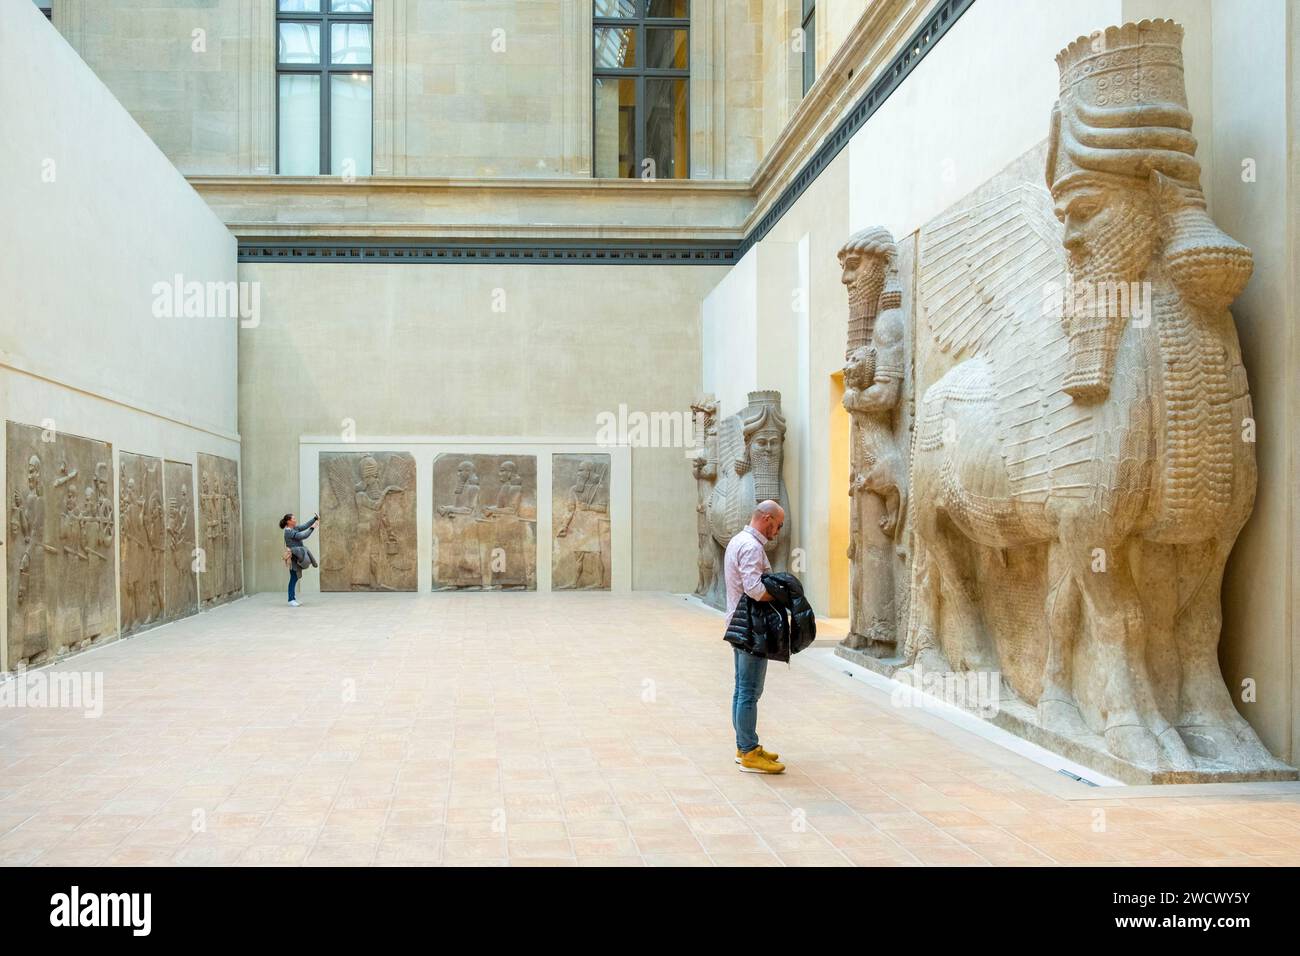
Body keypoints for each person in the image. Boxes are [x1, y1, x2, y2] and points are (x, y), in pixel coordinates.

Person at [723, 500, 786, 774]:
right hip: (751, 628)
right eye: (778, 525)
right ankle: (748, 752)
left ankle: (744, 745)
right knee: (750, 692)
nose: (778, 531)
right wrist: (782, 593)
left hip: (739, 625)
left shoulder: (739, 540)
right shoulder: (750, 546)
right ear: (767, 518)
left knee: (742, 689)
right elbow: (754, 589)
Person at [280, 512, 318, 607]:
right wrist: (313, 527)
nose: (295, 520)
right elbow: (303, 536)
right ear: (289, 521)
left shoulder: (294, 528)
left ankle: (292, 597)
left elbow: (304, 526)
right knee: (293, 577)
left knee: (295, 577)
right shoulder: (289, 532)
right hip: (293, 558)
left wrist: (314, 518)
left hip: (297, 556)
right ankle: (291, 599)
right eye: (293, 519)